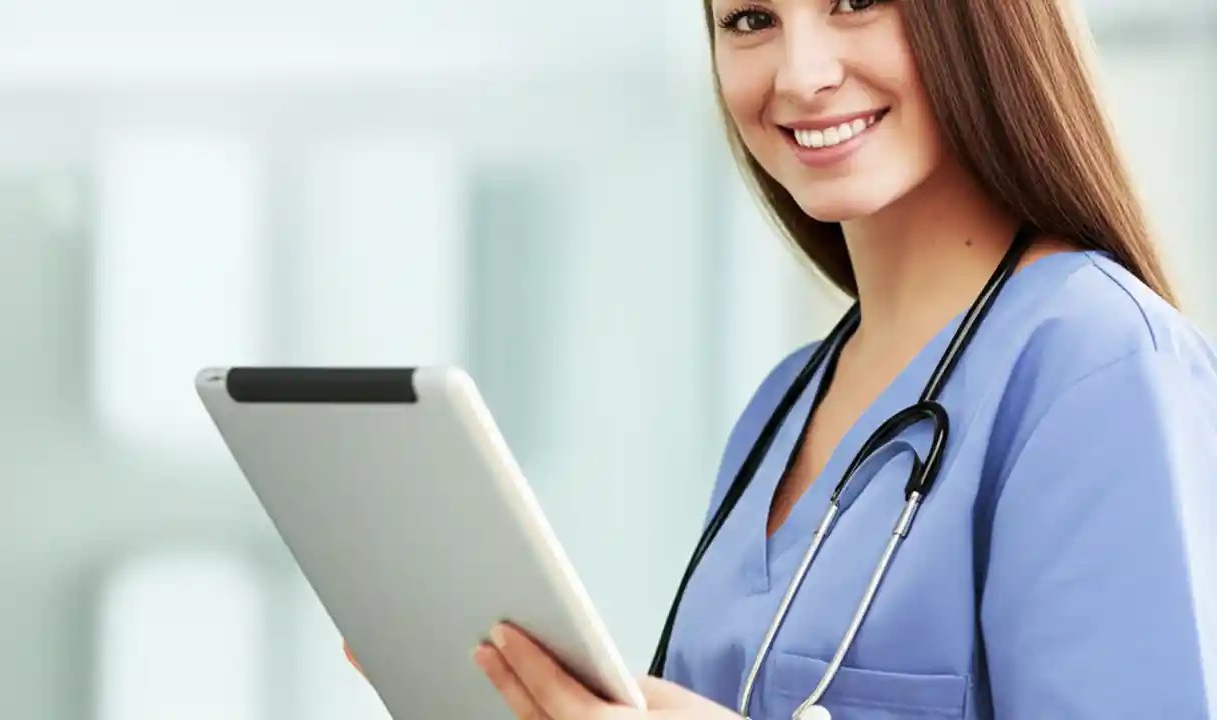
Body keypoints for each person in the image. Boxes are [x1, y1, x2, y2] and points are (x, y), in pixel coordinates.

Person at [350, 0, 1217, 717]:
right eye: (751, 19)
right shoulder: (784, 402)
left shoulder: (1099, 368)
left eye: (855, 3)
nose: (799, 75)